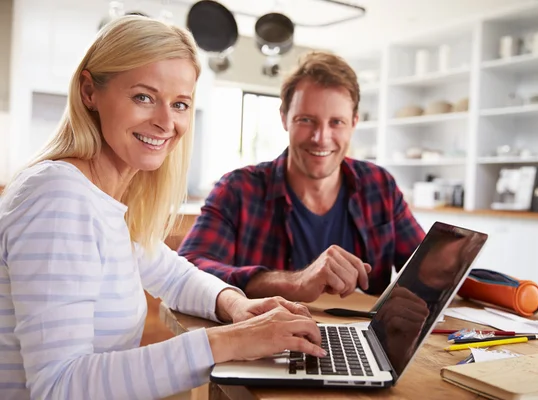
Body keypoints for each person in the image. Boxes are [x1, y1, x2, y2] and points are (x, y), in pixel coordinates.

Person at [0, 16, 324, 400]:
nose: (166, 122)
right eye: (144, 97)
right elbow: (59, 385)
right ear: (90, 91)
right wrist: (231, 342)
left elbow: (173, 276)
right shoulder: (60, 198)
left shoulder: (106, 197)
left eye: (180, 103)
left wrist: (238, 305)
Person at [178, 51, 425, 302]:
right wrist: (293, 282)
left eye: (336, 122)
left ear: (354, 122)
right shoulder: (238, 189)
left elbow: (426, 270)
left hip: (362, 339)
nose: (321, 137)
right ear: (284, 118)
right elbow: (187, 271)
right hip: (266, 338)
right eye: (306, 120)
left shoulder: (380, 185)